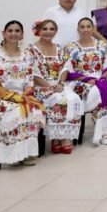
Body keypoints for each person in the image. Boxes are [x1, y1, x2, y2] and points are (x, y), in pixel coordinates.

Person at [0, 20, 46, 166]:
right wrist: (9, 96)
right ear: (4, 33)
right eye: (10, 30)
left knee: (34, 109)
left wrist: (25, 95)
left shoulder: (27, 56)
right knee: (15, 110)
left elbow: (30, 81)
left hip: (22, 95)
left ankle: (26, 153)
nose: (13, 34)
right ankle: (12, 153)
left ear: (22, 35)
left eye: (17, 31)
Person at [59, 18, 107, 145]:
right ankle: (102, 132)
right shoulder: (70, 48)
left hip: (101, 78)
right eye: (82, 27)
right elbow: (68, 71)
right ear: (78, 30)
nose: (85, 29)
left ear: (92, 29)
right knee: (97, 90)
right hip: (80, 81)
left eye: (88, 26)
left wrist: (102, 78)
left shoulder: (103, 45)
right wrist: (88, 79)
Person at [28, 19, 83, 154]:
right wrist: (48, 86)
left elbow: (66, 68)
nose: (48, 32)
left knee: (73, 98)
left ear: (55, 31)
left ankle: (64, 136)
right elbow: (32, 72)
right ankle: (56, 137)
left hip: (58, 85)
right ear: (39, 31)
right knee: (59, 99)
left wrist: (60, 83)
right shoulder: (30, 50)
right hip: (39, 88)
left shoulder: (60, 49)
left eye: (52, 29)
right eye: (45, 29)